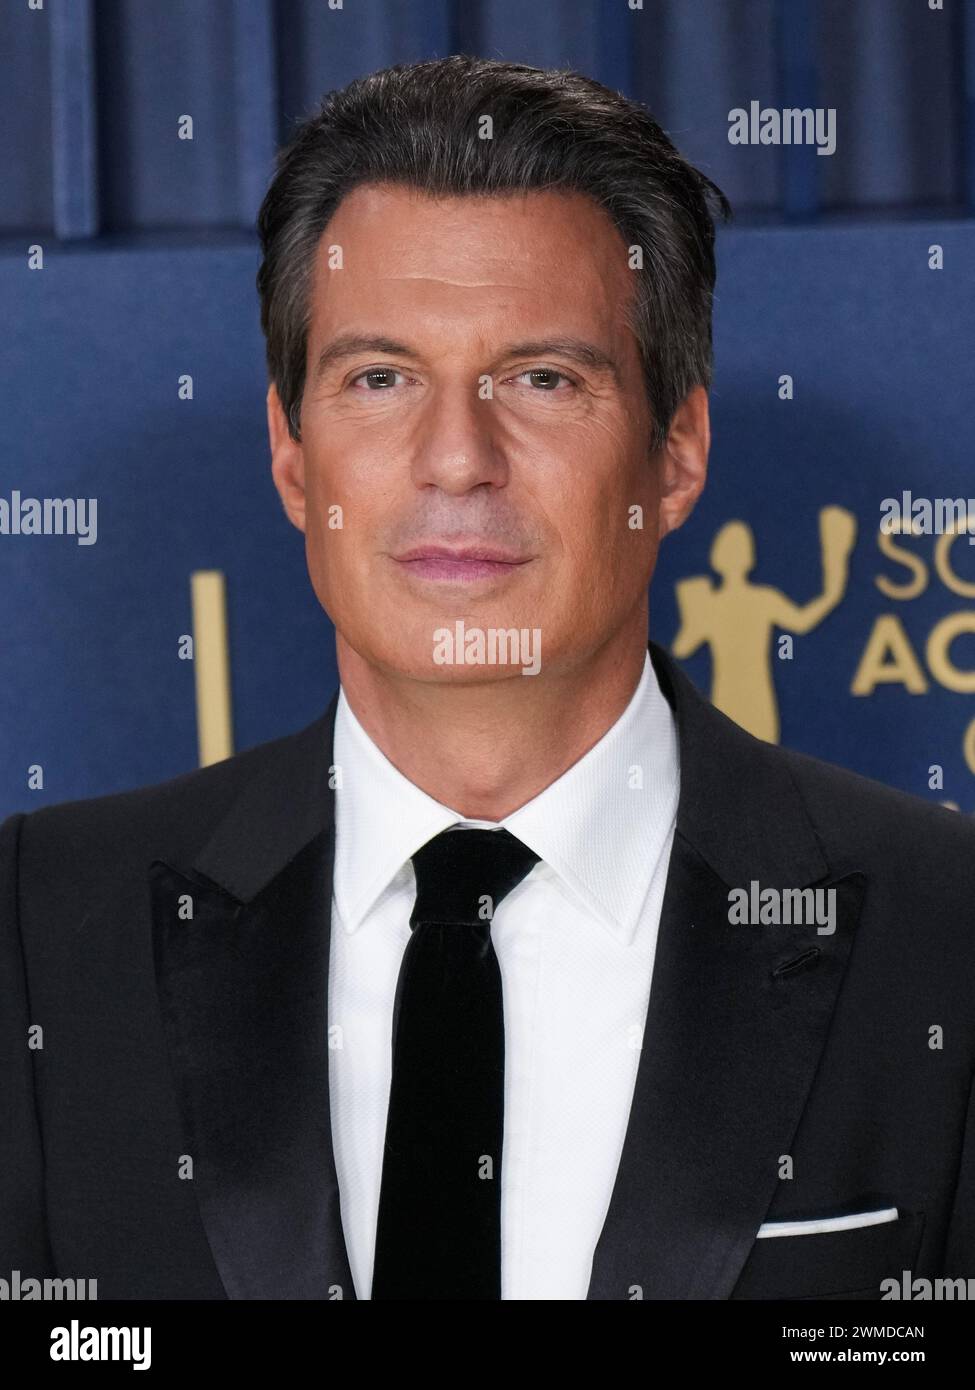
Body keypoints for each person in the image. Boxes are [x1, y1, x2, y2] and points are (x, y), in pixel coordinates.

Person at [2, 56, 973, 1302]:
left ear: (674, 455)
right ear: (294, 460)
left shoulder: (943, 934)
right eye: (381, 378)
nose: (457, 458)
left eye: (542, 379)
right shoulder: (40, 930)